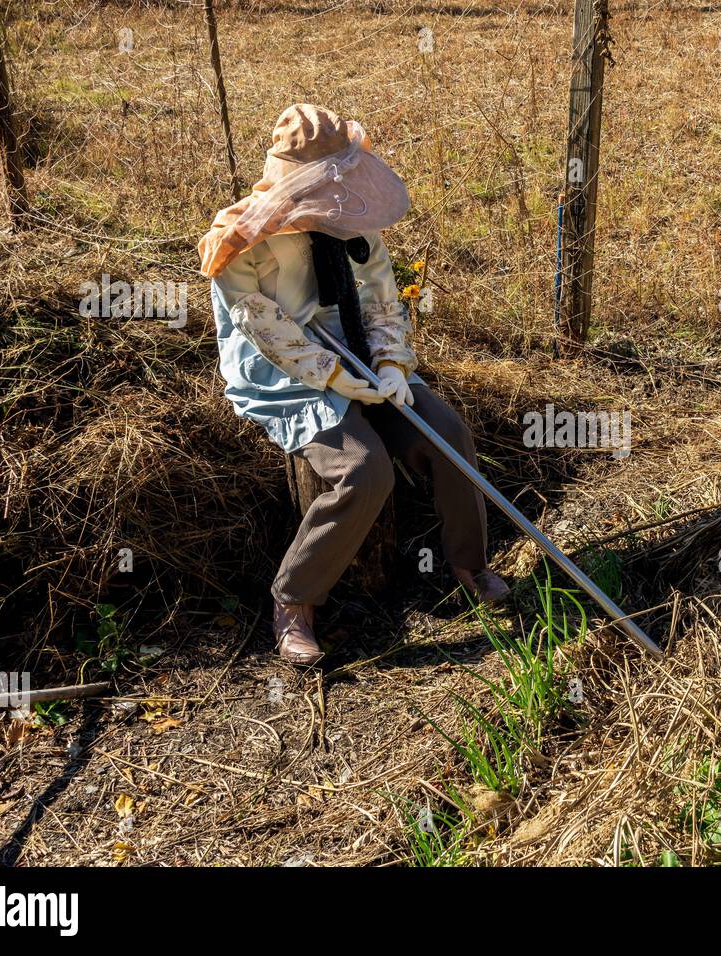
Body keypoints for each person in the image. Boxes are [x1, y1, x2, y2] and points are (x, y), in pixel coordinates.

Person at [198, 104, 508, 665]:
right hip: (289, 374)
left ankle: (468, 562)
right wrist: (335, 377)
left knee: (448, 435)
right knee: (365, 472)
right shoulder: (238, 241)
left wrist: (391, 364)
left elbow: (380, 299)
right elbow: (267, 330)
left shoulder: (353, 216)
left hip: (360, 357)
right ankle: (293, 598)